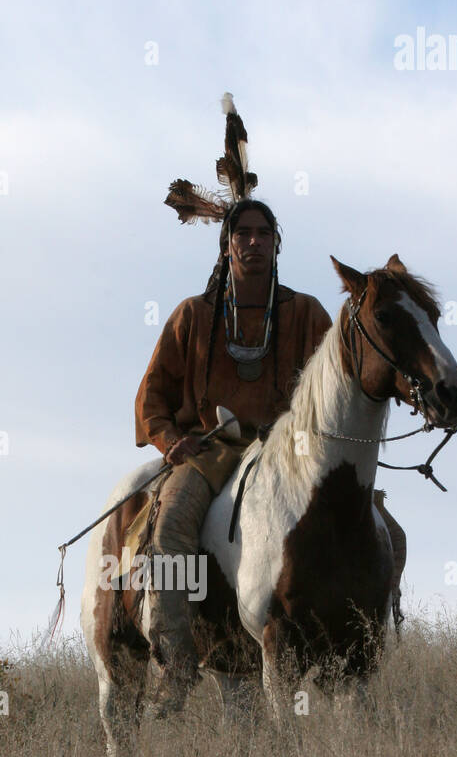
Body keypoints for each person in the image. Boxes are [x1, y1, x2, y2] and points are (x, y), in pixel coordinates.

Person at [135, 195, 332, 714]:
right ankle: (175, 661)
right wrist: (171, 441)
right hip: (210, 449)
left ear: (276, 245)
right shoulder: (193, 316)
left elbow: (339, 382)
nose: (253, 242)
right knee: (172, 523)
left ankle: (357, 649)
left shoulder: (306, 314)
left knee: (377, 523)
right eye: (241, 233)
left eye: (263, 233)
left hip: (289, 452)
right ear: (225, 247)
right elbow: (152, 397)